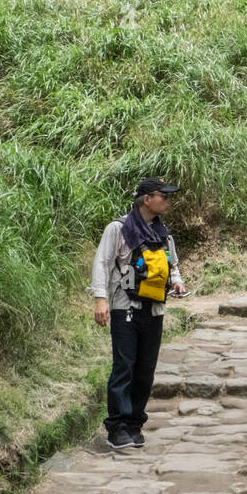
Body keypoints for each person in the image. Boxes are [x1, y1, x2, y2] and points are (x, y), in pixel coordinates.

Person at [90, 177, 186, 451]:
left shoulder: (163, 233)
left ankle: (134, 424)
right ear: (147, 199)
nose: (167, 200)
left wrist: (177, 282)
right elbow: (102, 263)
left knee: (145, 371)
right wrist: (100, 299)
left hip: (154, 309)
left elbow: (173, 265)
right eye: (163, 196)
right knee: (124, 367)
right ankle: (117, 427)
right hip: (125, 309)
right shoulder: (118, 229)